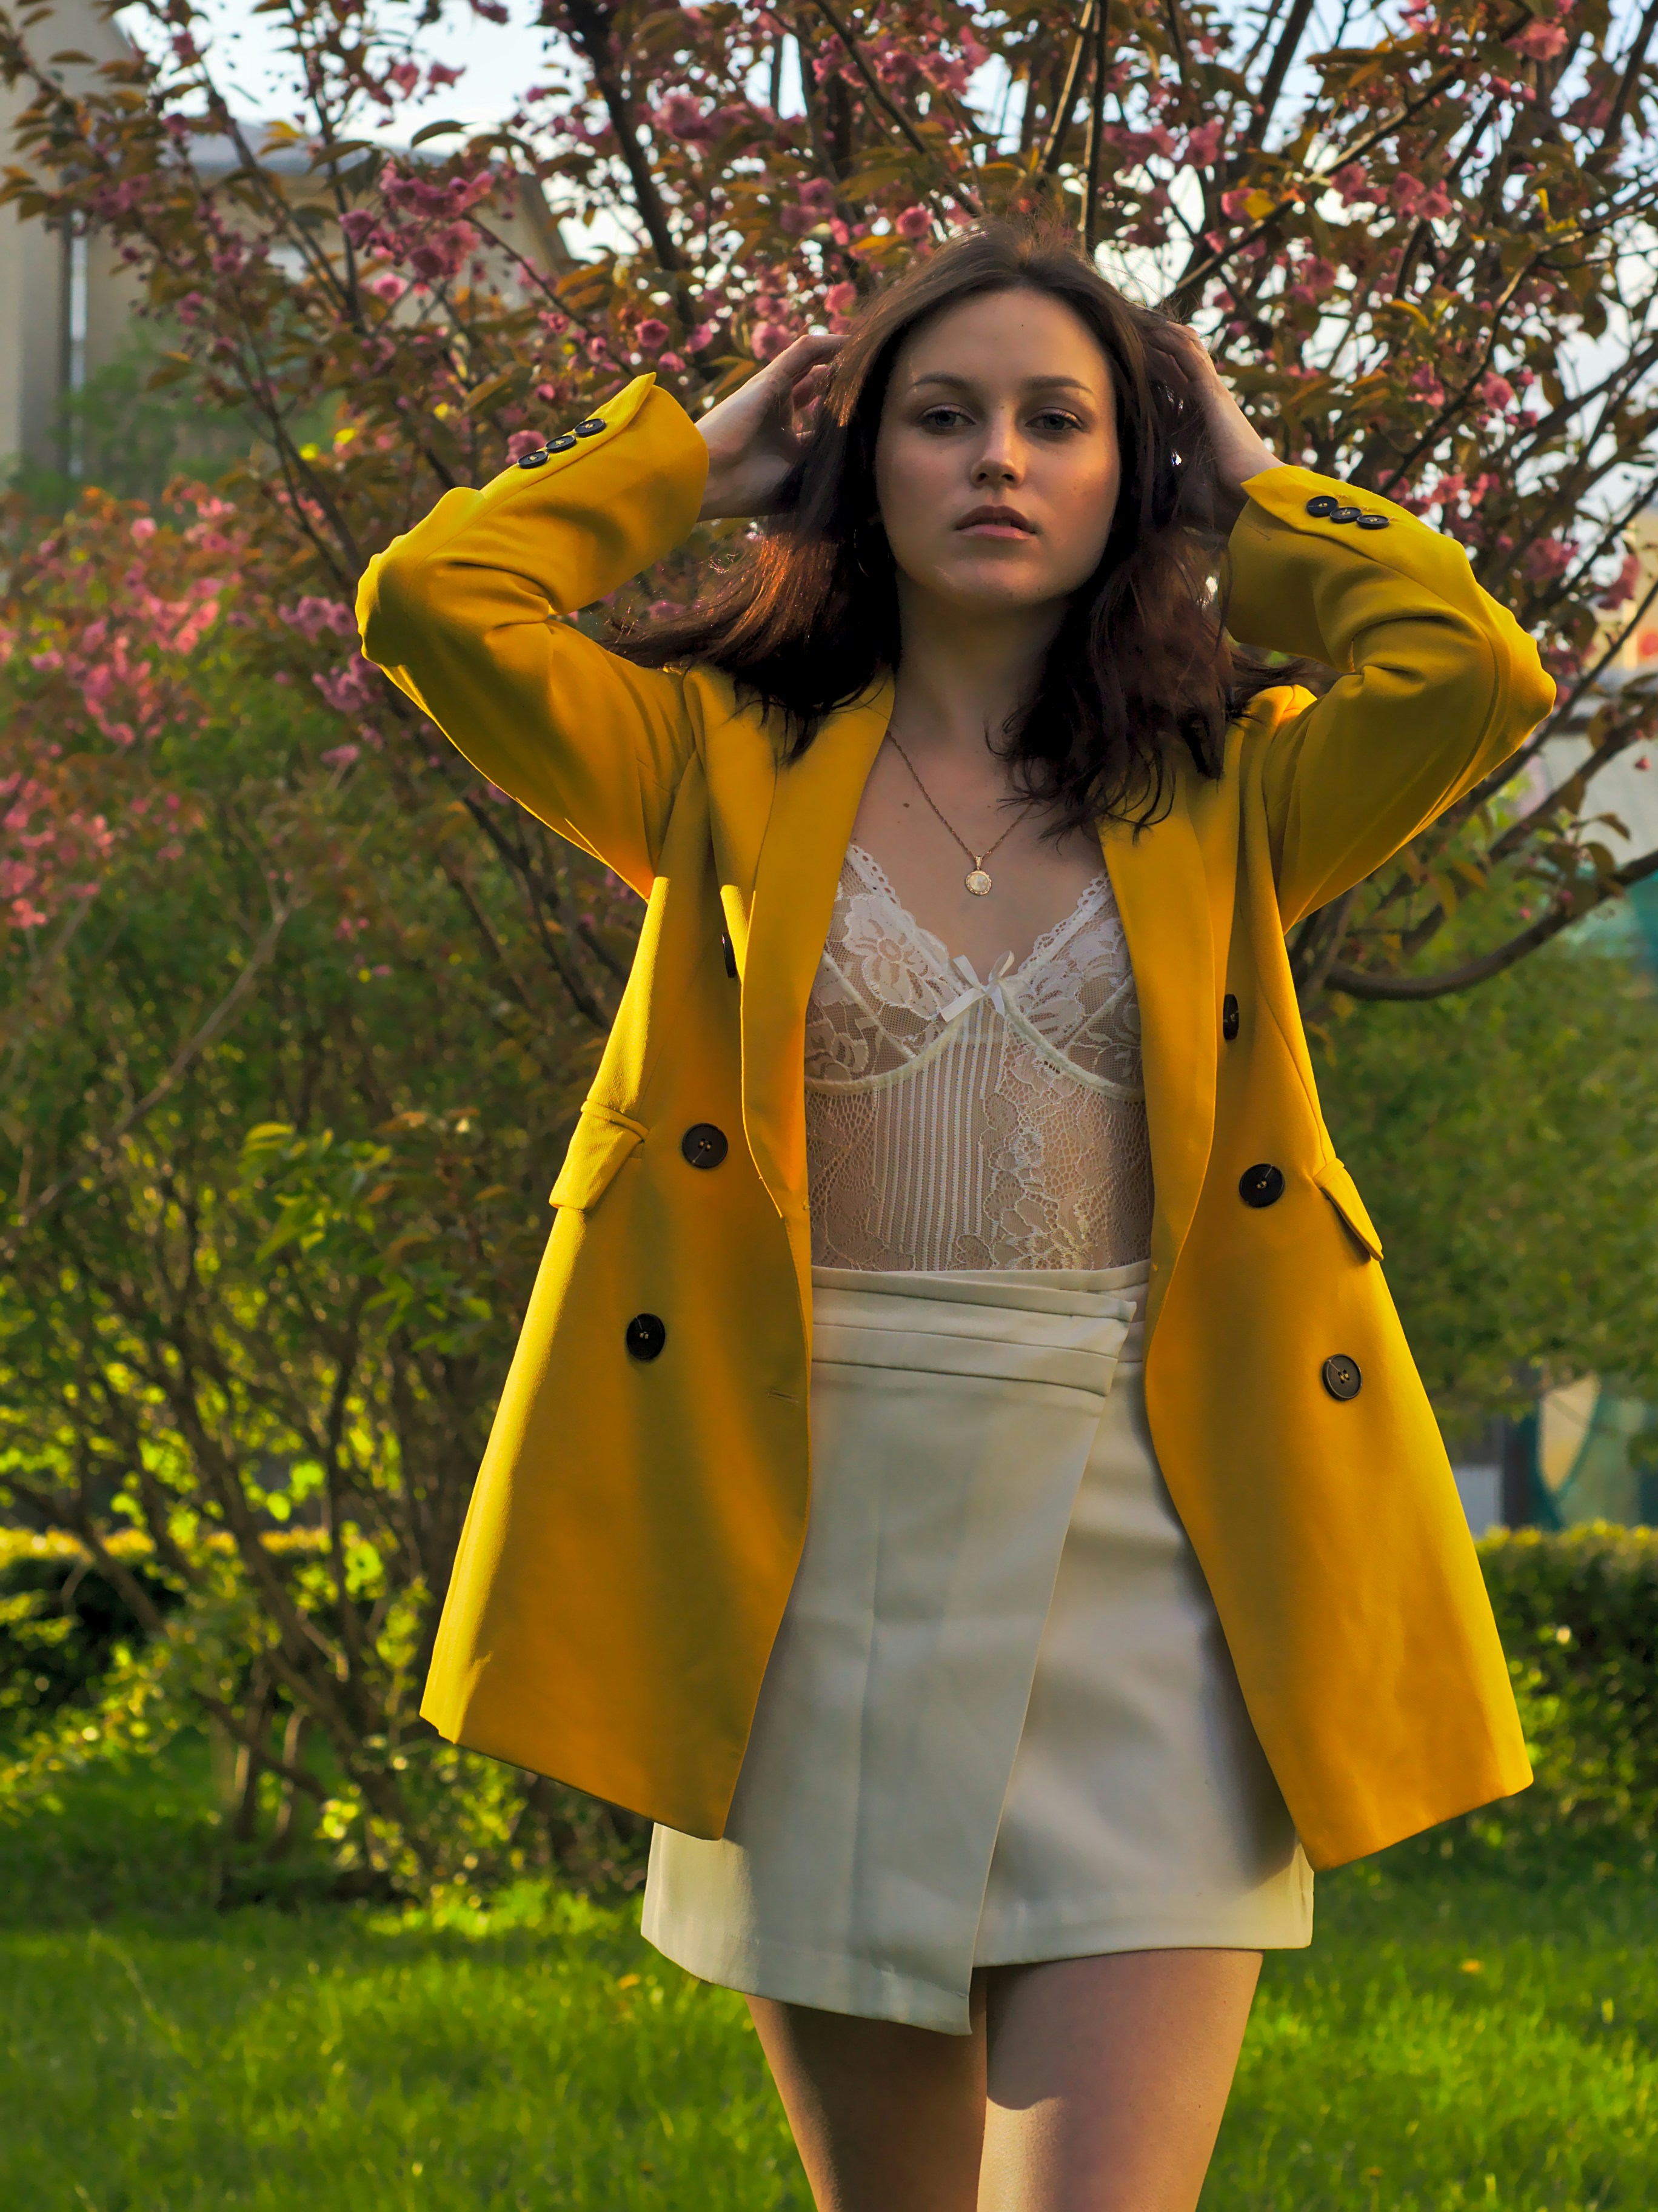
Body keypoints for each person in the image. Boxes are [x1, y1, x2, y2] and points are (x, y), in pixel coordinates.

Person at [357, 220, 1554, 2211]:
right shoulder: (710, 757)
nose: (999, 457)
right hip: (812, 1543)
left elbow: (1470, 672)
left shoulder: (1236, 785)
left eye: (1059, 421)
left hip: (1158, 1544)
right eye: (941, 416)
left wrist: (1258, 492)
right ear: (863, 462)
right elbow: (432, 603)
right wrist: (683, 464)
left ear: (1126, 477)